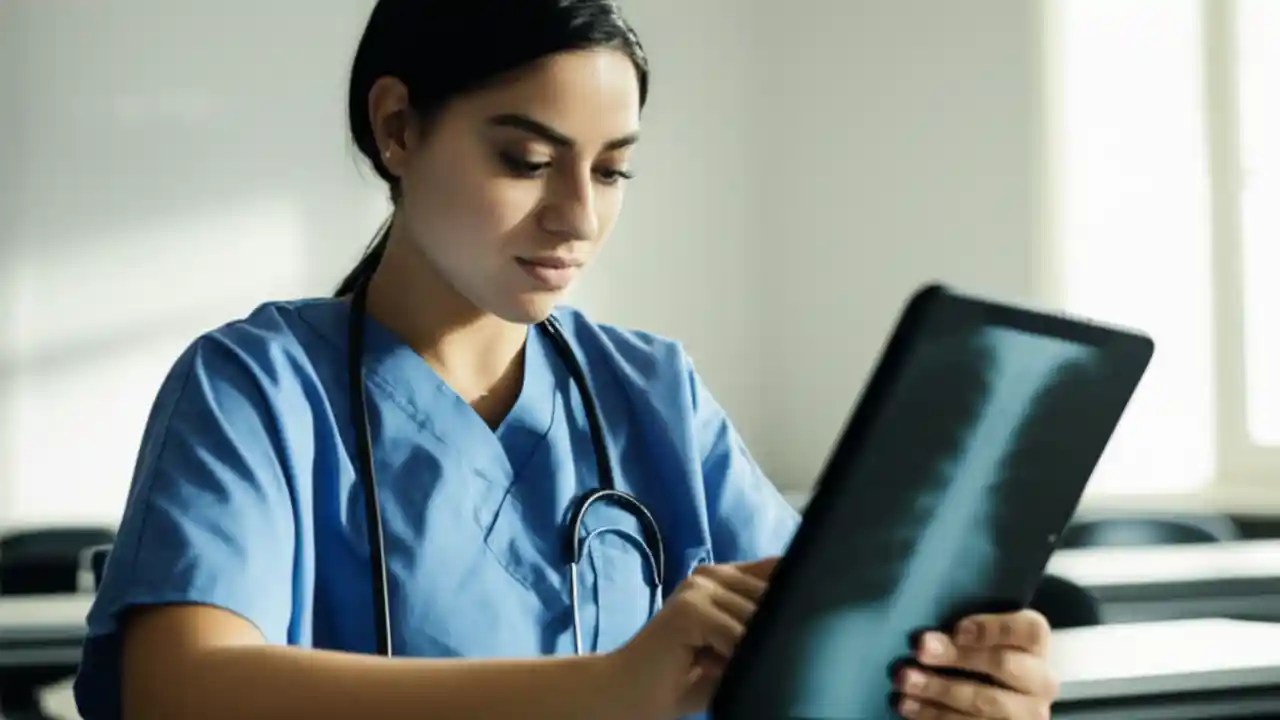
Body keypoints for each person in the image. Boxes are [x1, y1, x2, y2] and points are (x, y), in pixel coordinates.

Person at [72, 1, 1060, 718]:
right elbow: (180, 689)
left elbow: (813, 655)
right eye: (526, 161)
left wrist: (950, 684)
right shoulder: (259, 385)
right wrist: (602, 687)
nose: (578, 217)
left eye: (612, 167)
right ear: (396, 127)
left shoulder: (651, 392)